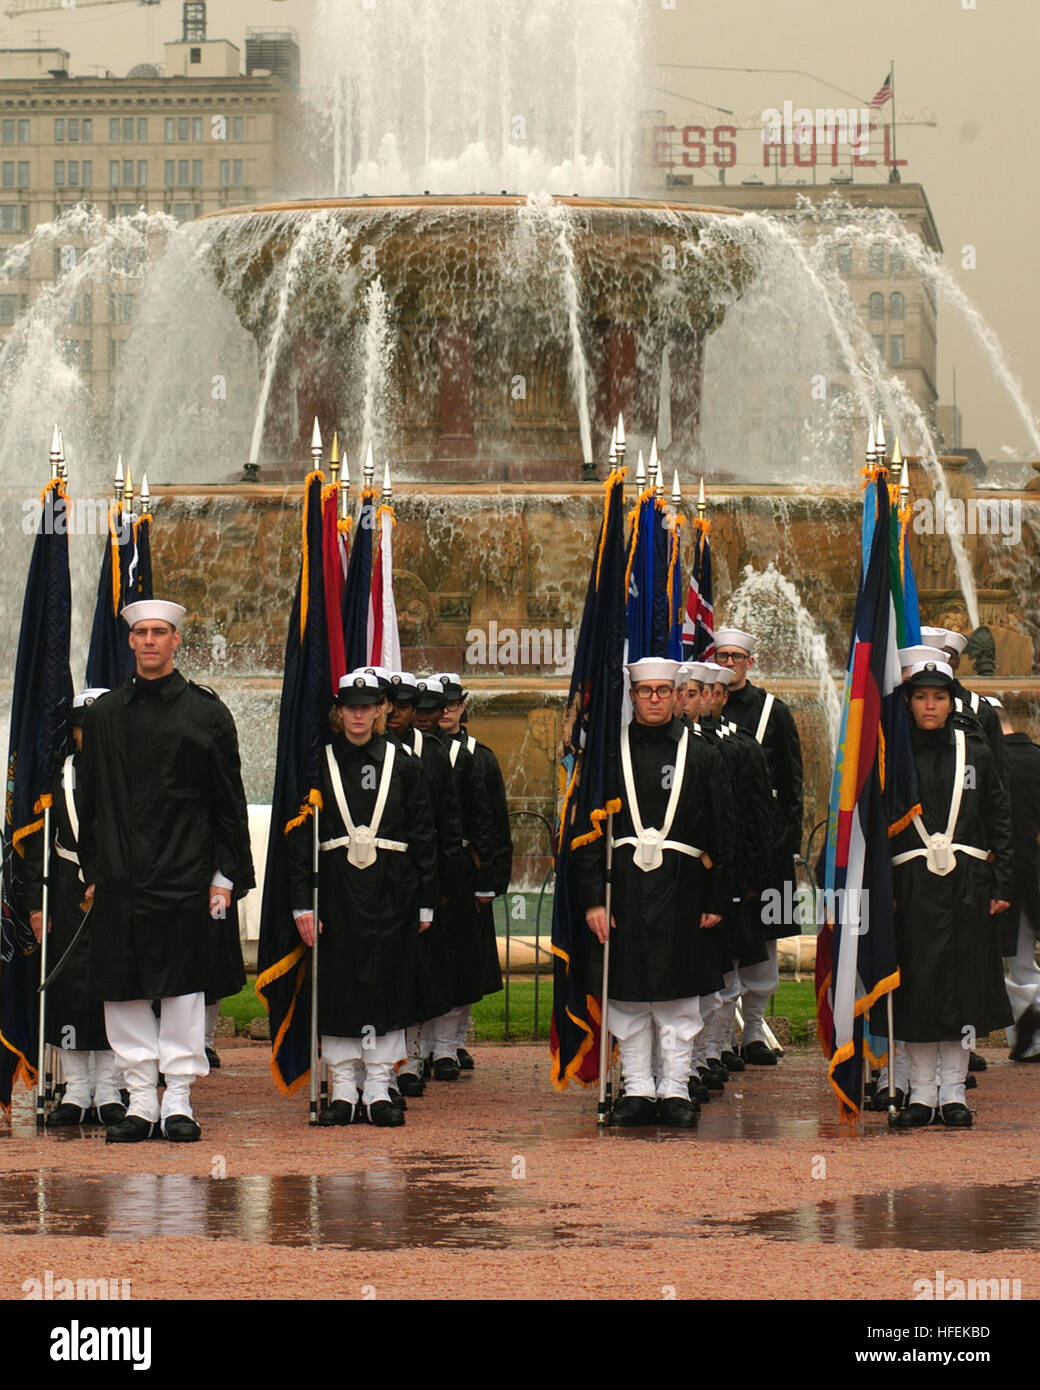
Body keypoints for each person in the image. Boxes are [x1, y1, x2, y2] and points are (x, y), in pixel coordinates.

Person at [78, 600, 254, 1143]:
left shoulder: (206, 713)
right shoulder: (105, 715)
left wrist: (225, 875)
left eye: (160, 632)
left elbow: (229, 801)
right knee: (124, 990)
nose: (150, 641)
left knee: (182, 992)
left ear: (177, 640)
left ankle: (177, 1099)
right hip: (122, 878)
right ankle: (138, 1102)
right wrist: (93, 870)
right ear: (130, 642)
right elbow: (92, 801)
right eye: (141, 633)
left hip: (185, 874)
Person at [573, 657, 729, 1128]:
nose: (655, 699)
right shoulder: (606, 755)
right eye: (646, 692)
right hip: (624, 888)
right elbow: (587, 832)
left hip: (684, 887)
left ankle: (676, 1089)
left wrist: (717, 899)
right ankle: (637, 1088)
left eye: (664, 691)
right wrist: (593, 900)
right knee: (629, 994)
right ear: (634, 696)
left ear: (679, 695)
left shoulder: (704, 754)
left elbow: (726, 830)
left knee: (679, 996)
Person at [289, 670, 438, 1127]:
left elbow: (423, 836)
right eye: (350, 707)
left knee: (385, 982)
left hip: (392, 887)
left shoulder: (405, 763)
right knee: (339, 984)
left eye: (367, 706)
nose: (358, 714)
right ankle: (343, 1086)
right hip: (335, 888)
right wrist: (302, 903)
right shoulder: (319, 763)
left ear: (381, 711)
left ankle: (377, 1085)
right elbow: (299, 839)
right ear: (339, 712)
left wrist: (426, 901)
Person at [887, 660, 1013, 1128]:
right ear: (909, 702)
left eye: (939, 697)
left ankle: (954, 1091)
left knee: (962, 986)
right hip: (913, 885)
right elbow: (880, 824)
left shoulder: (975, 749)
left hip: (967, 884)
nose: (930, 705)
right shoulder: (894, 756)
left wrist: (1002, 884)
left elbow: (999, 816)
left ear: (952, 701)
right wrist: (886, 890)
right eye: (921, 697)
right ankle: (921, 1093)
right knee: (919, 984)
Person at [23, 688, 125, 1128]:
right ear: (75, 732)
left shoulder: (130, 774)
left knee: (116, 989)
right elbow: (34, 850)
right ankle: (77, 1088)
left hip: (119, 891)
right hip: (66, 891)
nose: (91, 735)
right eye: (84, 727)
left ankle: (110, 1088)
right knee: (69, 991)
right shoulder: (57, 776)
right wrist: (35, 905)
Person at [712, 627, 803, 1064]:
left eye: (736, 657)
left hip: (767, 847)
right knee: (722, 936)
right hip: (718, 842)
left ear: (750, 661)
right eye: (722, 656)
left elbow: (791, 785)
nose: (729, 663)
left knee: (764, 939)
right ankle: (717, 1038)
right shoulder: (700, 708)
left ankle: (753, 1031)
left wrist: (789, 848)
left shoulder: (774, 712)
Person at [435, 672, 513, 1070]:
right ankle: (433, 1045)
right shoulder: (417, 751)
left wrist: (492, 880)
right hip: (432, 872)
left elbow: (496, 822)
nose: (446, 711)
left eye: (452, 703)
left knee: (467, 962)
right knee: (434, 960)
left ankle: (452, 1042)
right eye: (439, 703)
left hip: (469, 872)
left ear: (463, 706)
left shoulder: (481, 756)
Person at [994, 703, 1040, 1061]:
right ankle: (1028, 1041)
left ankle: (1031, 1013)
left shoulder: (989, 764)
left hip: (996, 882)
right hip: (1033, 878)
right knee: (1023, 963)